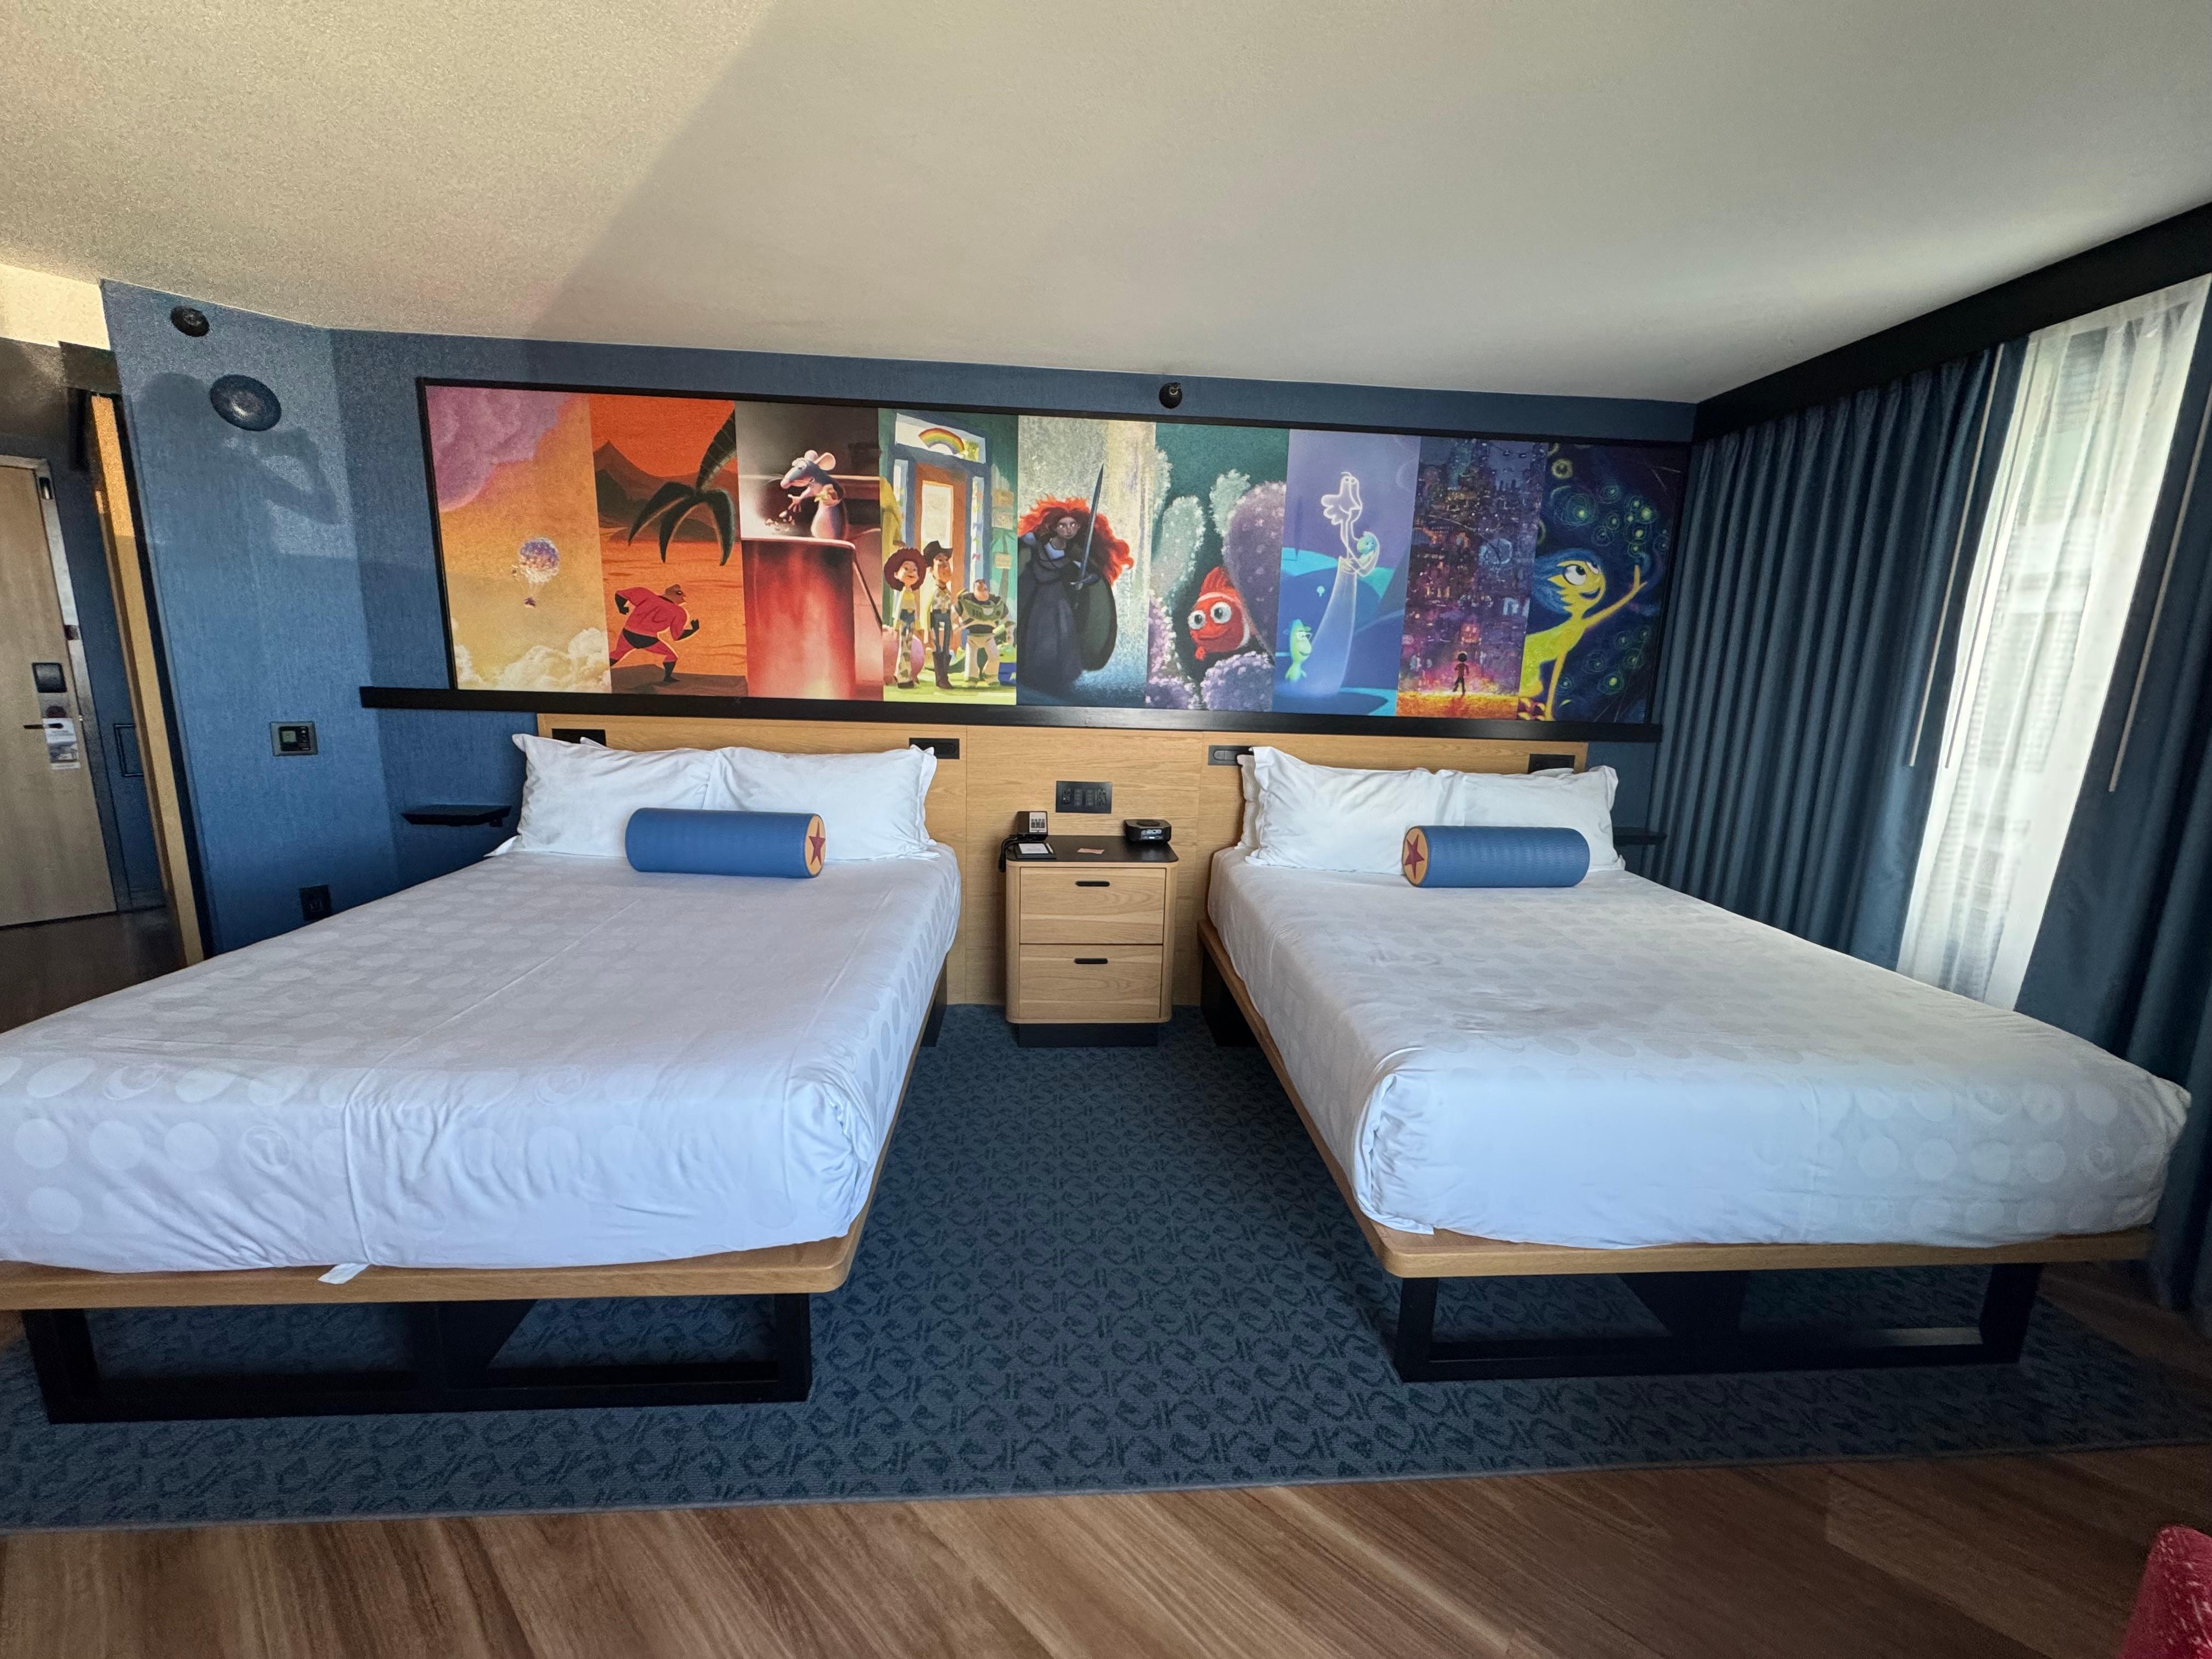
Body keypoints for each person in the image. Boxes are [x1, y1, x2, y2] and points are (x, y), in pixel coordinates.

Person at [1014, 503, 1120, 696]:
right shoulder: (1036, 544)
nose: (1068, 529)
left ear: (1079, 528)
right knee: (1033, 640)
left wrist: (1086, 580)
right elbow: (1019, 555)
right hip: (1036, 603)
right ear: (1055, 527)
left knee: (1061, 642)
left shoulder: (1077, 553)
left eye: (1073, 525)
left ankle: (1056, 681)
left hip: (1060, 605)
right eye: (1063, 525)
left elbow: (1094, 575)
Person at [609, 584, 699, 684]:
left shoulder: (646, 595)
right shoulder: (679, 612)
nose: (684, 597)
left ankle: (601, 670)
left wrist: (621, 608)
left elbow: (620, 594)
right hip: (648, 639)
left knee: (618, 653)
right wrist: (694, 629)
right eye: (681, 595)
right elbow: (677, 636)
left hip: (628, 633)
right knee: (672, 655)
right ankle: (667, 678)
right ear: (676, 594)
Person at [883, 546, 926, 687]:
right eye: (906, 569)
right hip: (903, 624)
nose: (911, 572)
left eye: (914, 570)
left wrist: (918, 626)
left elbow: (915, 611)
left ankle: (905, 676)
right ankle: (902, 677)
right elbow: (898, 611)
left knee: (908, 649)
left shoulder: (911, 594)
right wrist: (896, 627)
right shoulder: (902, 594)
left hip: (910, 624)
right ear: (896, 574)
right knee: (904, 649)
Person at [955, 577, 1009, 686]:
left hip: (989, 637)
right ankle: (971, 679)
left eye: (985, 589)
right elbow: (953, 615)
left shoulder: (996, 604)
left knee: (995, 657)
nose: (983, 592)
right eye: (980, 589)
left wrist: (1010, 632)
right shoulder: (965, 603)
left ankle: (991, 676)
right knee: (971, 659)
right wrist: (957, 626)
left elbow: (1007, 619)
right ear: (974, 591)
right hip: (973, 638)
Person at [922, 543, 958, 691]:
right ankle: (941, 678)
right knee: (938, 648)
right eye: (940, 560)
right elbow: (926, 610)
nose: (945, 564)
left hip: (947, 619)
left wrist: (953, 627)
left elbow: (951, 610)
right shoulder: (934, 591)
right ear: (932, 569)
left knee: (946, 648)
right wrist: (926, 631)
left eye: (946, 560)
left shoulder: (948, 592)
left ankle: (944, 677)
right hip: (935, 619)